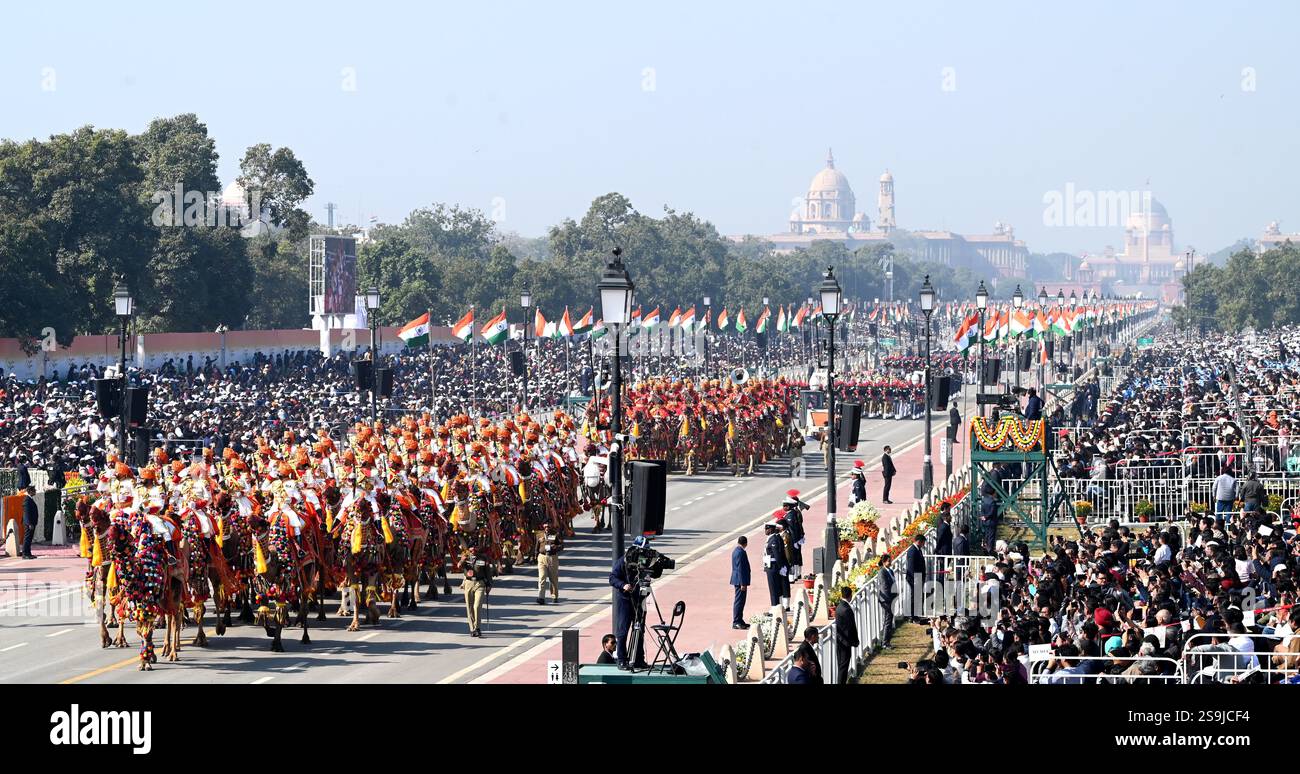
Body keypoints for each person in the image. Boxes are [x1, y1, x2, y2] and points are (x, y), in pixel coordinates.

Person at [609, 537, 648, 669]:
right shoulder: (624, 561)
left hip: (639, 600)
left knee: (639, 630)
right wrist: (623, 585)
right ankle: (622, 660)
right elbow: (612, 578)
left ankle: (638, 659)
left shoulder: (645, 561)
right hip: (625, 601)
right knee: (623, 631)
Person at [461, 545, 491, 637]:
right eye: (471, 548)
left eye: (475, 548)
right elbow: (459, 566)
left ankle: (477, 627)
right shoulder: (465, 556)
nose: (473, 550)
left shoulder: (483, 558)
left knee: (477, 606)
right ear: (468, 549)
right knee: (469, 607)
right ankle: (472, 629)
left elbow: (488, 572)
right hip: (468, 583)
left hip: (479, 583)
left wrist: (489, 584)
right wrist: (462, 559)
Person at [833, 585, 858, 683]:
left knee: (841, 666)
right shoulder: (847, 609)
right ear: (850, 595)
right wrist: (855, 641)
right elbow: (851, 627)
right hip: (845, 642)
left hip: (841, 641)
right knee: (843, 667)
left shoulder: (840, 606)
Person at [762, 521, 788, 608]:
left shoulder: (773, 539)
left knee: (773, 588)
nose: (765, 530)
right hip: (770, 565)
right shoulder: (771, 538)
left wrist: (781, 567)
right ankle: (777, 606)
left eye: (767, 529)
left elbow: (777, 554)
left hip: (772, 566)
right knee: (775, 588)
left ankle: (775, 607)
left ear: (771, 529)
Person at [905, 533, 927, 621]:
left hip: (918, 577)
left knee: (917, 596)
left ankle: (915, 615)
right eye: (923, 543)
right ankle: (912, 616)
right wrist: (914, 578)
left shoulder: (918, 549)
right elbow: (911, 567)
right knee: (914, 597)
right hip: (914, 578)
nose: (924, 545)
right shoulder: (912, 551)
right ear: (919, 542)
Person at [536, 527, 561, 605]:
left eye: (548, 527)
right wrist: (536, 555)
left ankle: (554, 596)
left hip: (552, 558)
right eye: (545, 526)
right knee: (542, 577)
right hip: (542, 557)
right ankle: (541, 597)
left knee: (553, 579)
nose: (546, 528)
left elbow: (561, 545)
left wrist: (556, 547)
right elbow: (537, 546)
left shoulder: (555, 535)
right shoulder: (539, 534)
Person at [730, 536, 751, 629]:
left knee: (741, 601)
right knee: (739, 601)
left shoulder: (737, 551)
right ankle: (736, 621)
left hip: (739, 580)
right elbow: (740, 569)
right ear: (745, 543)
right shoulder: (740, 552)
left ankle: (740, 619)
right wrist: (743, 583)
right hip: (740, 581)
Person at [877, 552, 896, 648]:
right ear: (884, 562)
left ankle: (887, 641)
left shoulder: (890, 571)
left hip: (891, 598)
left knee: (889, 619)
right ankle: (885, 642)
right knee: (887, 620)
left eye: (890, 560)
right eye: (889, 561)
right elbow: (885, 587)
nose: (890, 562)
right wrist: (890, 598)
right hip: (886, 599)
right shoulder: (882, 572)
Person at [20, 484, 39, 560]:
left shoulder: (30, 499)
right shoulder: (27, 500)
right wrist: (29, 524)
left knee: (30, 538)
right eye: (34, 490)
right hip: (29, 523)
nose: (35, 492)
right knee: (27, 538)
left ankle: (28, 553)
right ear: (30, 491)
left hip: (31, 523)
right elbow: (26, 513)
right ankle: (25, 554)